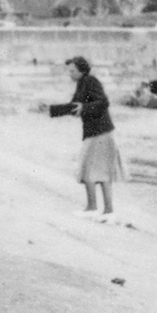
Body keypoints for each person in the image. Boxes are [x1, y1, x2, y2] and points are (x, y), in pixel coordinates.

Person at [48, 56, 127, 215]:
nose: (70, 74)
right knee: (101, 171)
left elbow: (103, 102)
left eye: (72, 71)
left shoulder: (90, 81)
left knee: (89, 169)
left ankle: (93, 208)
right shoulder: (83, 83)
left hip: (99, 132)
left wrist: (84, 108)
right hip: (99, 131)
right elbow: (73, 107)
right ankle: (107, 210)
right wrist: (50, 109)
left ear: (81, 71)